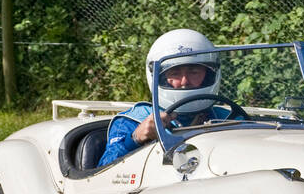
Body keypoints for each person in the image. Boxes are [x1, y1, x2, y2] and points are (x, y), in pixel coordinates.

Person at [97, 28, 229, 166]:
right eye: (175, 73)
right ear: (160, 77)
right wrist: (135, 139)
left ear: (209, 75)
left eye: (194, 72)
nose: (184, 81)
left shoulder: (227, 118)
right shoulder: (132, 121)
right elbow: (102, 172)